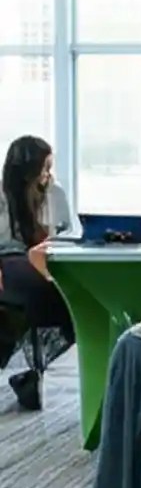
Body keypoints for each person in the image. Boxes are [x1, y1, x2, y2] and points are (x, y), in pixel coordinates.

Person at [0, 135, 77, 410]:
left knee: (72, 293)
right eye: (44, 168)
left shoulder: (53, 193)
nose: (47, 175)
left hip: (49, 257)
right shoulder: (3, 197)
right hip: (9, 260)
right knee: (38, 290)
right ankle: (31, 367)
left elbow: (67, 231)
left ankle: (31, 368)